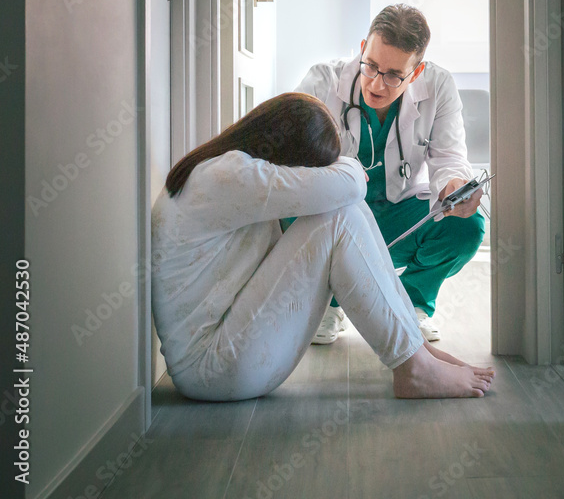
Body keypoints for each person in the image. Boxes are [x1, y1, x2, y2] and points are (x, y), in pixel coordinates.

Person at [151, 91, 495, 402]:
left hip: (221, 355)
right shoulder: (229, 176)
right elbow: (349, 185)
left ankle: (413, 351)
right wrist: (345, 165)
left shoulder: (224, 168)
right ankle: (414, 367)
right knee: (339, 216)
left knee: (344, 210)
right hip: (212, 369)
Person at [296, 4, 485, 345]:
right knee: (288, 212)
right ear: (362, 48)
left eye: (394, 75)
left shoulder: (438, 86)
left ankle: (413, 304)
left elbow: (450, 156)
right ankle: (329, 303)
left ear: (416, 72)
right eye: (370, 66)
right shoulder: (323, 80)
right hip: (336, 217)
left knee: (467, 227)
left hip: (398, 214)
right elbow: (290, 159)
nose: (377, 83)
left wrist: (455, 186)